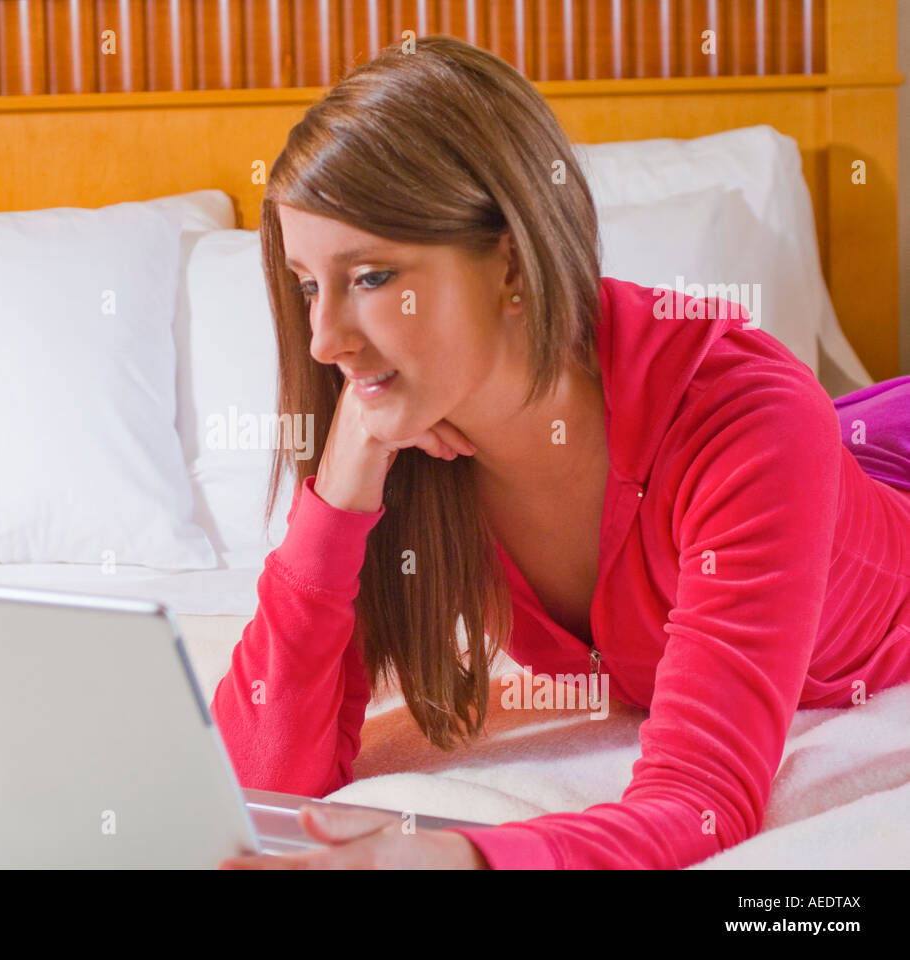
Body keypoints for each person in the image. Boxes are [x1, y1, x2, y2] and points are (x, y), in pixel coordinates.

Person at [212, 35, 910, 869]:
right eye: (306, 286)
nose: (324, 340)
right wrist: (337, 497)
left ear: (509, 260)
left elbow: (700, 805)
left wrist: (457, 858)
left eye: (369, 278)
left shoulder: (743, 423)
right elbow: (259, 781)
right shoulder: (413, 440)